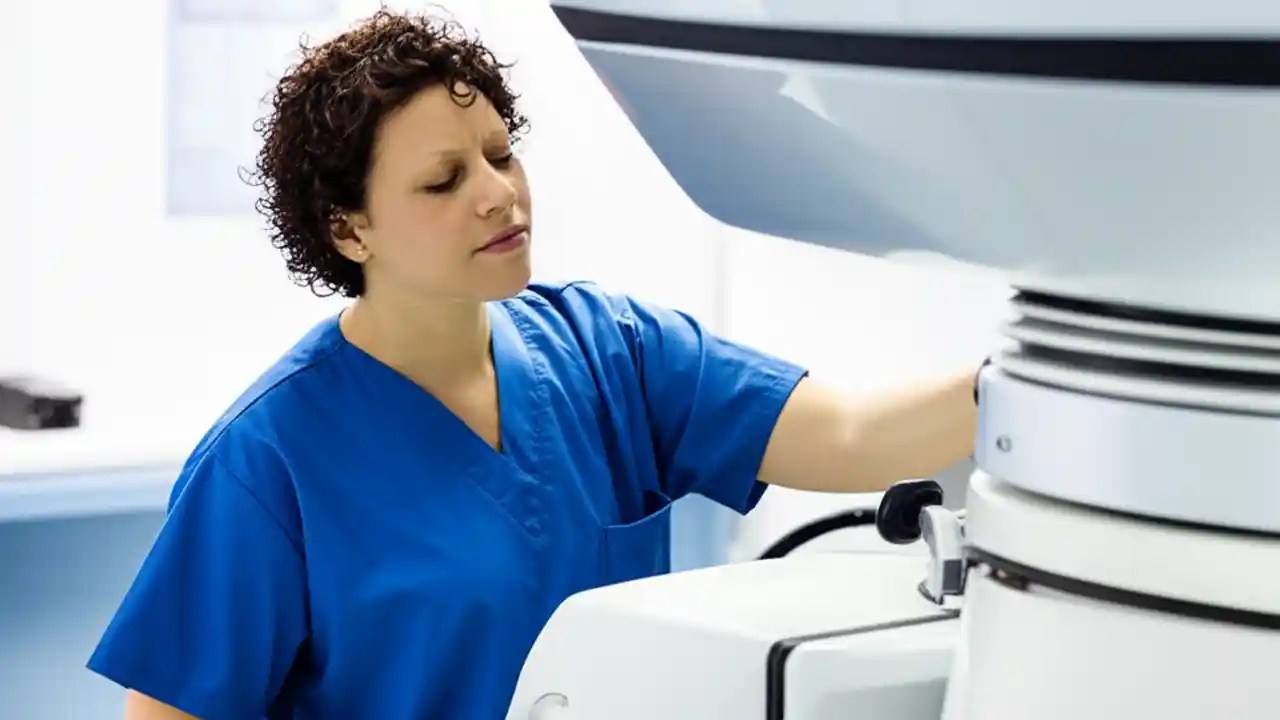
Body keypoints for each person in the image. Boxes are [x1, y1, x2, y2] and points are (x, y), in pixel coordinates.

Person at [87, 9, 984, 720]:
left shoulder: (611, 352)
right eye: (444, 182)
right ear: (348, 228)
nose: (497, 194)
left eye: (500, 154)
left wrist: (1037, 382)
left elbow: (859, 437)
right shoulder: (268, 460)